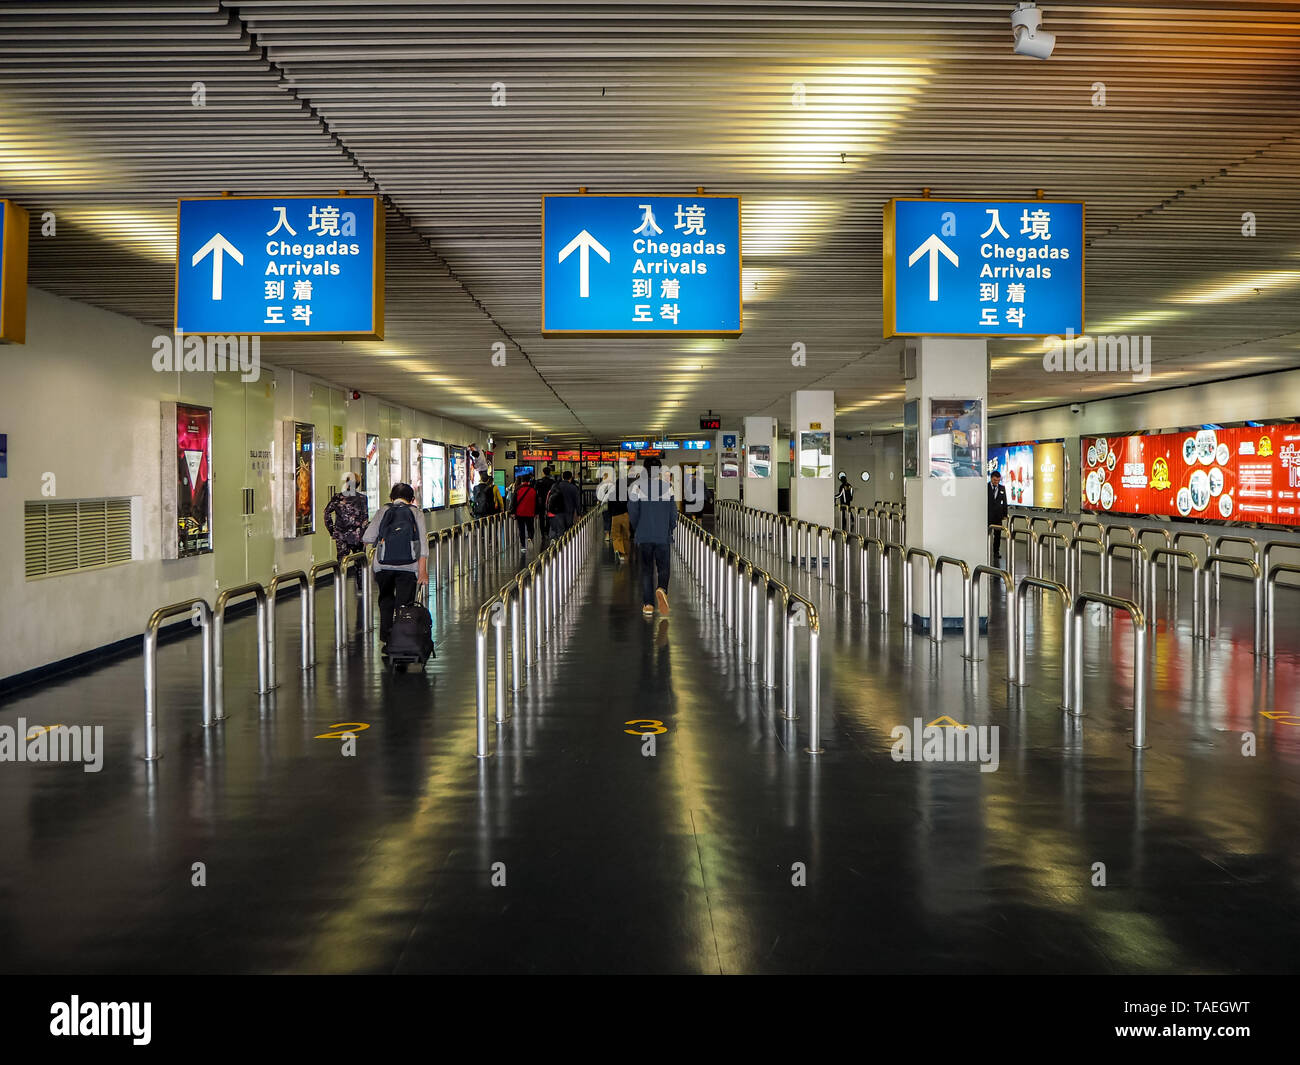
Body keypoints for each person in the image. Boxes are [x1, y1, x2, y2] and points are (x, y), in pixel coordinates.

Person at [362, 482, 429, 649]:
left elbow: (368, 537)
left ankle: (386, 639)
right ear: (412, 499)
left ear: (391, 498)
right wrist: (423, 571)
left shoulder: (383, 510)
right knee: (404, 604)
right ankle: (401, 639)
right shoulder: (416, 513)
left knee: (385, 601)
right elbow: (423, 544)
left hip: (383, 566)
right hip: (409, 566)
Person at [628, 457, 677, 617]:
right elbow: (673, 514)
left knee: (647, 570)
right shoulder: (667, 487)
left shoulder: (636, 486)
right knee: (664, 567)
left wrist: (638, 528)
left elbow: (633, 512)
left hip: (644, 536)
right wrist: (670, 527)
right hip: (662, 535)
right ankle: (662, 588)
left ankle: (648, 605)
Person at [323, 472, 369, 560]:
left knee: (342, 562)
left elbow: (326, 513)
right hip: (358, 535)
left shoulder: (338, 497)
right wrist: (364, 535)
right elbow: (365, 518)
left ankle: (341, 574)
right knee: (360, 562)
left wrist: (332, 530)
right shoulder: (362, 498)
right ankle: (360, 574)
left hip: (341, 535)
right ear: (358, 484)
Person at [547, 469, 581, 538]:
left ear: (562, 477)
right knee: (569, 529)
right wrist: (579, 513)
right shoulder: (574, 488)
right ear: (571, 478)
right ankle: (567, 544)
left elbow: (550, 497)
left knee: (560, 529)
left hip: (558, 511)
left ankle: (560, 545)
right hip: (569, 511)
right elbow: (577, 502)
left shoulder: (556, 486)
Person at [607, 468, 631, 563]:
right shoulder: (626, 493)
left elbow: (609, 506)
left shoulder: (612, 494)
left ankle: (618, 551)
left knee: (616, 535)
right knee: (626, 535)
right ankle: (625, 554)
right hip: (625, 515)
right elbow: (630, 504)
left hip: (615, 516)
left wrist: (611, 514)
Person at [510, 472, 538, 552]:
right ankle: (530, 537)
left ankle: (523, 546)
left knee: (521, 529)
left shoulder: (517, 490)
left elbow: (513, 502)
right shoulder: (533, 490)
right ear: (529, 481)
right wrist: (536, 513)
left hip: (520, 513)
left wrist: (512, 512)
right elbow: (536, 503)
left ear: (522, 481)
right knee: (530, 527)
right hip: (530, 512)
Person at [988, 470, 1009, 561]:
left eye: (998, 480)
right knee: (986, 534)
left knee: (998, 535)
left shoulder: (1002, 488)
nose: (996, 482)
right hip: (988, 515)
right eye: (995, 480)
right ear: (991, 478)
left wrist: (1005, 514)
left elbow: (1005, 502)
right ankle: (985, 550)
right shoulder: (986, 487)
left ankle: (996, 551)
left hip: (998, 516)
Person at [533, 466, 556, 545]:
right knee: (549, 516)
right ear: (549, 472)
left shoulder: (539, 481)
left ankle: (543, 533)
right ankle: (547, 529)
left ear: (543, 472)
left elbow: (535, 492)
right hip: (550, 502)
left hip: (541, 502)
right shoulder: (552, 482)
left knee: (541, 517)